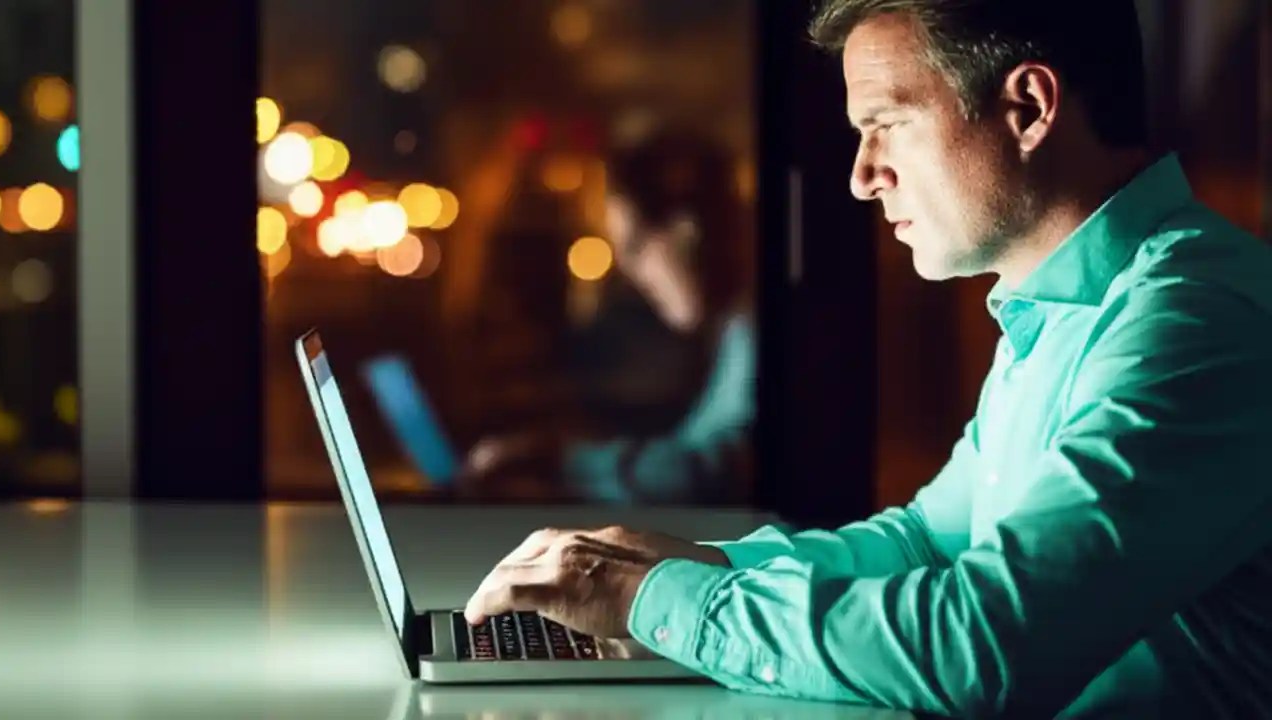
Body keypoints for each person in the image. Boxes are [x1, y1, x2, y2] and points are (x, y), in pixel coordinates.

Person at [463, 1, 1272, 717]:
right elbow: (925, 542)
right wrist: (682, 566)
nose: (861, 177)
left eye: (886, 123)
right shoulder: (1061, 312)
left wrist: (661, 602)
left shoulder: (1194, 321)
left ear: (1027, 107)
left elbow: (984, 646)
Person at [466, 131, 756, 505]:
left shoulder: (752, 332)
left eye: (635, 247)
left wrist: (560, 462)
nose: (633, 272)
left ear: (688, 231)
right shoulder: (733, 331)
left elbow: (712, 470)